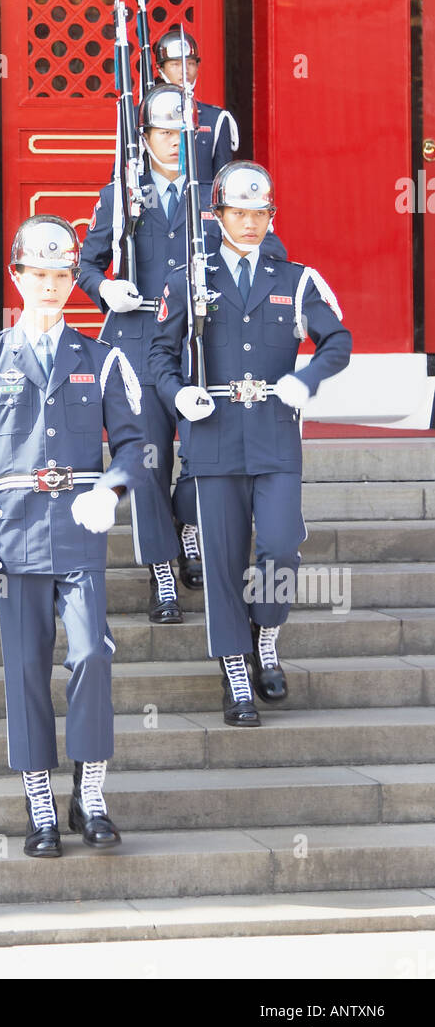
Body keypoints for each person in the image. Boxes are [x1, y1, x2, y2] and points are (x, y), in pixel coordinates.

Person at [0, 215, 146, 856]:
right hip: (16, 537)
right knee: (25, 670)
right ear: (17, 277)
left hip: (80, 530)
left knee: (92, 655)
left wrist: (110, 491)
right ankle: (39, 802)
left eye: (63, 275)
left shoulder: (102, 356)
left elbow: (136, 447)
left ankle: (90, 792)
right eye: (40, 275)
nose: (52, 286)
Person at [148, 161, 351, 725]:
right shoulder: (190, 277)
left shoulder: (295, 278)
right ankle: (236, 672)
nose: (250, 223)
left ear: (271, 217)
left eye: (260, 214)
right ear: (217, 216)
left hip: (274, 433)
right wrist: (176, 395)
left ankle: (266, 634)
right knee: (220, 559)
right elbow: (159, 354)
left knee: (281, 546)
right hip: (213, 435)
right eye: (239, 212)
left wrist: (304, 380)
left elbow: (338, 339)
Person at [80, 84, 288, 622]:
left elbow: (270, 251)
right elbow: (85, 264)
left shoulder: (212, 196)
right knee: (147, 461)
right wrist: (104, 289)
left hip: (200, 348)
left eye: (182, 132)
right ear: (143, 136)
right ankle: (163, 572)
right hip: (135, 341)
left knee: (202, 461)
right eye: (162, 132)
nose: (174, 141)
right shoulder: (119, 193)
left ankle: (187, 523)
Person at [150, 28, 238, 177]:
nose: (184, 70)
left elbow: (222, 179)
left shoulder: (216, 119)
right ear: (160, 70)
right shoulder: (141, 115)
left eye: (190, 63)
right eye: (175, 64)